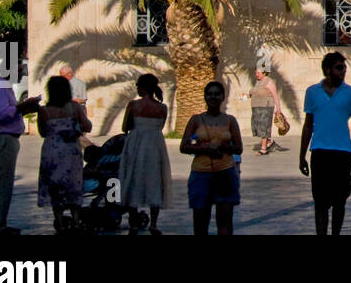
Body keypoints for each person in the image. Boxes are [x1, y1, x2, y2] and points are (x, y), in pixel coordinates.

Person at [299, 52, 351, 235]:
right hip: (320, 152)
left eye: (344, 67)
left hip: (343, 153)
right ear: (327, 70)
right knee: (320, 201)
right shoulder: (312, 92)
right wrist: (302, 156)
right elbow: (308, 125)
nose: (343, 71)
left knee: (340, 200)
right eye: (339, 67)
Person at [179, 81, 242, 235]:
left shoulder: (230, 120)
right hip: (201, 173)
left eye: (216, 94)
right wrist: (206, 148)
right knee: (200, 221)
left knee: (225, 221)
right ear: (205, 97)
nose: (213, 97)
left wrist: (223, 147)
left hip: (225, 173)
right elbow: (184, 146)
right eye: (210, 94)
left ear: (222, 97)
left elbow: (238, 148)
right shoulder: (196, 120)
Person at [0, 70, 41, 235]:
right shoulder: (0, 87)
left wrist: (23, 109)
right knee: (1, 183)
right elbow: (2, 114)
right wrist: (21, 107)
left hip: (7, 138)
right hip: (2, 138)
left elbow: (9, 112)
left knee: (4, 183)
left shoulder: (5, 87)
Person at [36, 75, 92, 233]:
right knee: (73, 185)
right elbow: (87, 126)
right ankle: (75, 220)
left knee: (56, 186)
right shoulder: (74, 108)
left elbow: (42, 132)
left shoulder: (44, 111)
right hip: (70, 151)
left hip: (51, 150)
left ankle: (59, 221)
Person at [118, 73, 172, 234]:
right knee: (155, 180)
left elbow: (124, 127)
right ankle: (154, 224)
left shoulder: (133, 106)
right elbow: (160, 126)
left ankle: (134, 223)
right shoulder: (162, 108)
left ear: (141, 87)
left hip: (136, 143)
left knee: (133, 179)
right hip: (155, 145)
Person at [250, 67, 281, 155]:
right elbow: (255, 93)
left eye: (258, 73)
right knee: (258, 127)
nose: (256, 75)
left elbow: (275, 95)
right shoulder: (258, 82)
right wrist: (247, 95)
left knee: (264, 126)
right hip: (256, 108)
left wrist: (278, 109)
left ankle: (263, 149)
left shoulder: (269, 81)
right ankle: (269, 142)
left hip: (266, 107)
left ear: (264, 73)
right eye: (256, 73)